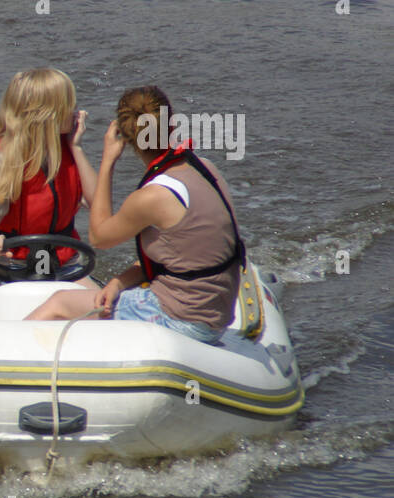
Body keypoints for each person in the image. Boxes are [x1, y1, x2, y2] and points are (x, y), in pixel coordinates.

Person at [26, 86, 243, 342]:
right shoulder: (205, 169)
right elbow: (183, 258)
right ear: (171, 125)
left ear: (124, 137)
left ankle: (8, 364)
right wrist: (119, 282)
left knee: (59, 303)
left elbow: (98, 237)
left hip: (178, 320)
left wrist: (108, 160)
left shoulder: (152, 197)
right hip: (215, 316)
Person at [0, 67, 98, 322]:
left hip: (63, 265)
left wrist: (77, 147)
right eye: (70, 105)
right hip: (3, 267)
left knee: (107, 315)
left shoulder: (66, 151)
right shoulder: (0, 160)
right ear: (48, 114)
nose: (78, 111)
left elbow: (97, 204)